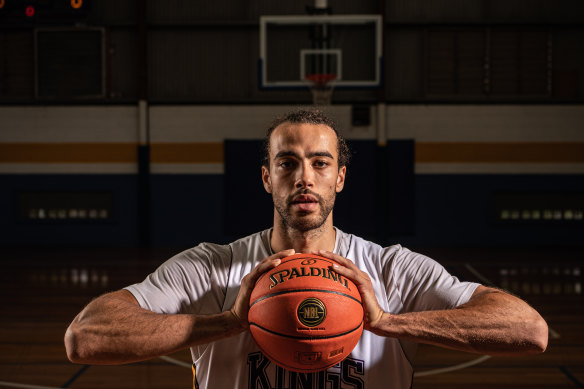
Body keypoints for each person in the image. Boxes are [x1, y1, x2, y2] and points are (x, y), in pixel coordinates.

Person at [65, 109, 548, 389]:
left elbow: (528, 331)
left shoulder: (392, 269)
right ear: (266, 177)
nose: (304, 178)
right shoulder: (210, 267)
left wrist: (387, 322)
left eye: (320, 163)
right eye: (287, 163)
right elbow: (85, 338)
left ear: (339, 177)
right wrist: (229, 322)